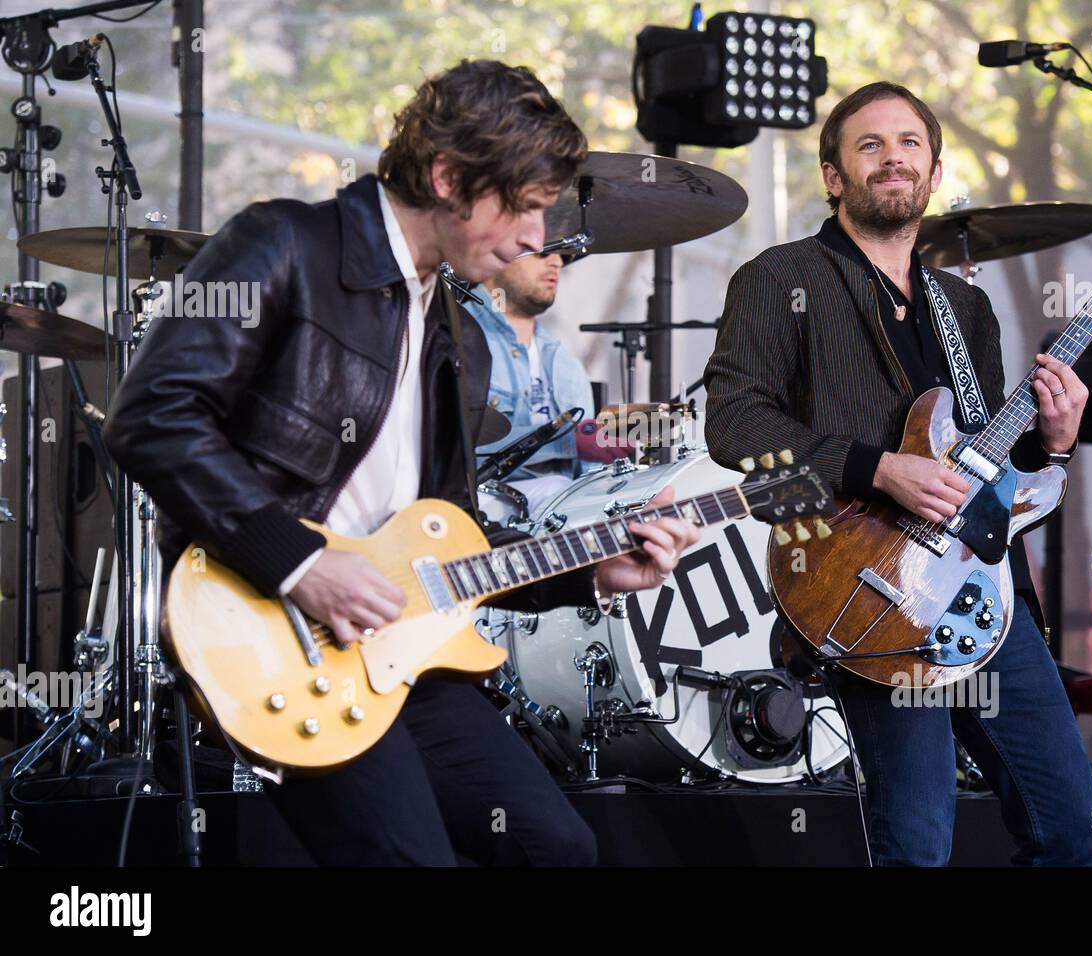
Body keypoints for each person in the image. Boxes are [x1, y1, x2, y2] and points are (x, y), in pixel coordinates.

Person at [103, 59, 699, 866]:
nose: (537, 237)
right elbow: (151, 418)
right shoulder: (283, 243)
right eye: (522, 209)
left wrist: (589, 572)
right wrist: (301, 562)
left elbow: (449, 536)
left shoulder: (447, 323)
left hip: (401, 641)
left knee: (556, 847)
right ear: (447, 176)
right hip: (275, 630)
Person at [704, 81, 1092, 866]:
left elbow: (987, 464)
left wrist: (1053, 445)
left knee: (1072, 833)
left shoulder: (965, 308)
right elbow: (735, 424)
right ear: (833, 175)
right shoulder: (778, 278)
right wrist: (875, 468)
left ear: (933, 168)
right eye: (870, 145)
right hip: (868, 582)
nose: (893, 158)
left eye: (909, 144)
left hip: (986, 589)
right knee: (917, 849)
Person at [465, 250, 632, 513]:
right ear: (498, 249)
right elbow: (445, 449)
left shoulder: (567, 364)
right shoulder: (456, 336)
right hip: (475, 517)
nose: (557, 262)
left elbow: (588, 476)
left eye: (563, 254)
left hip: (559, 518)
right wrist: (565, 442)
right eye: (542, 252)